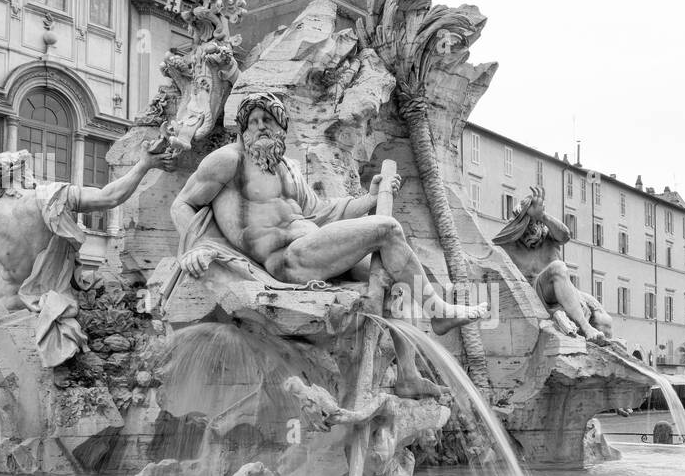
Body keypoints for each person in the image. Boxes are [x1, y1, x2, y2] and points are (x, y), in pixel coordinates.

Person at [170, 91, 486, 335]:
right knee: (387, 229)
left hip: (314, 248)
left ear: (281, 128)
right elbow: (182, 204)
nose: (260, 126)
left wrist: (370, 199)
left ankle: (407, 376)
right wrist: (195, 248)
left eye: (268, 120)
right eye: (253, 121)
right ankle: (438, 312)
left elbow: (320, 213)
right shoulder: (227, 161)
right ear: (243, 130)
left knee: (393, 278)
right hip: (286, 261)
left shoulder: (288, 169)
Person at [0, 144, 168, 366]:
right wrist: (145, 164)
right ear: (21, 173)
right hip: (47, 305)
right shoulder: (49, 197)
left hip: (1, 306)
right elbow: (110, 197)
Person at [492, 185, 625, 348]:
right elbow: (495, 246)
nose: (533, 227)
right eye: (529, 222)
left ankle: (609, 346)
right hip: (536, 294)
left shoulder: (550, 235)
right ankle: (586, 327)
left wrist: (543, 216)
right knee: (557, 268)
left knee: (602, 316)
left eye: (536, 223)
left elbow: (565, 235)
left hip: (563, 290)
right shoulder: (510, 244)